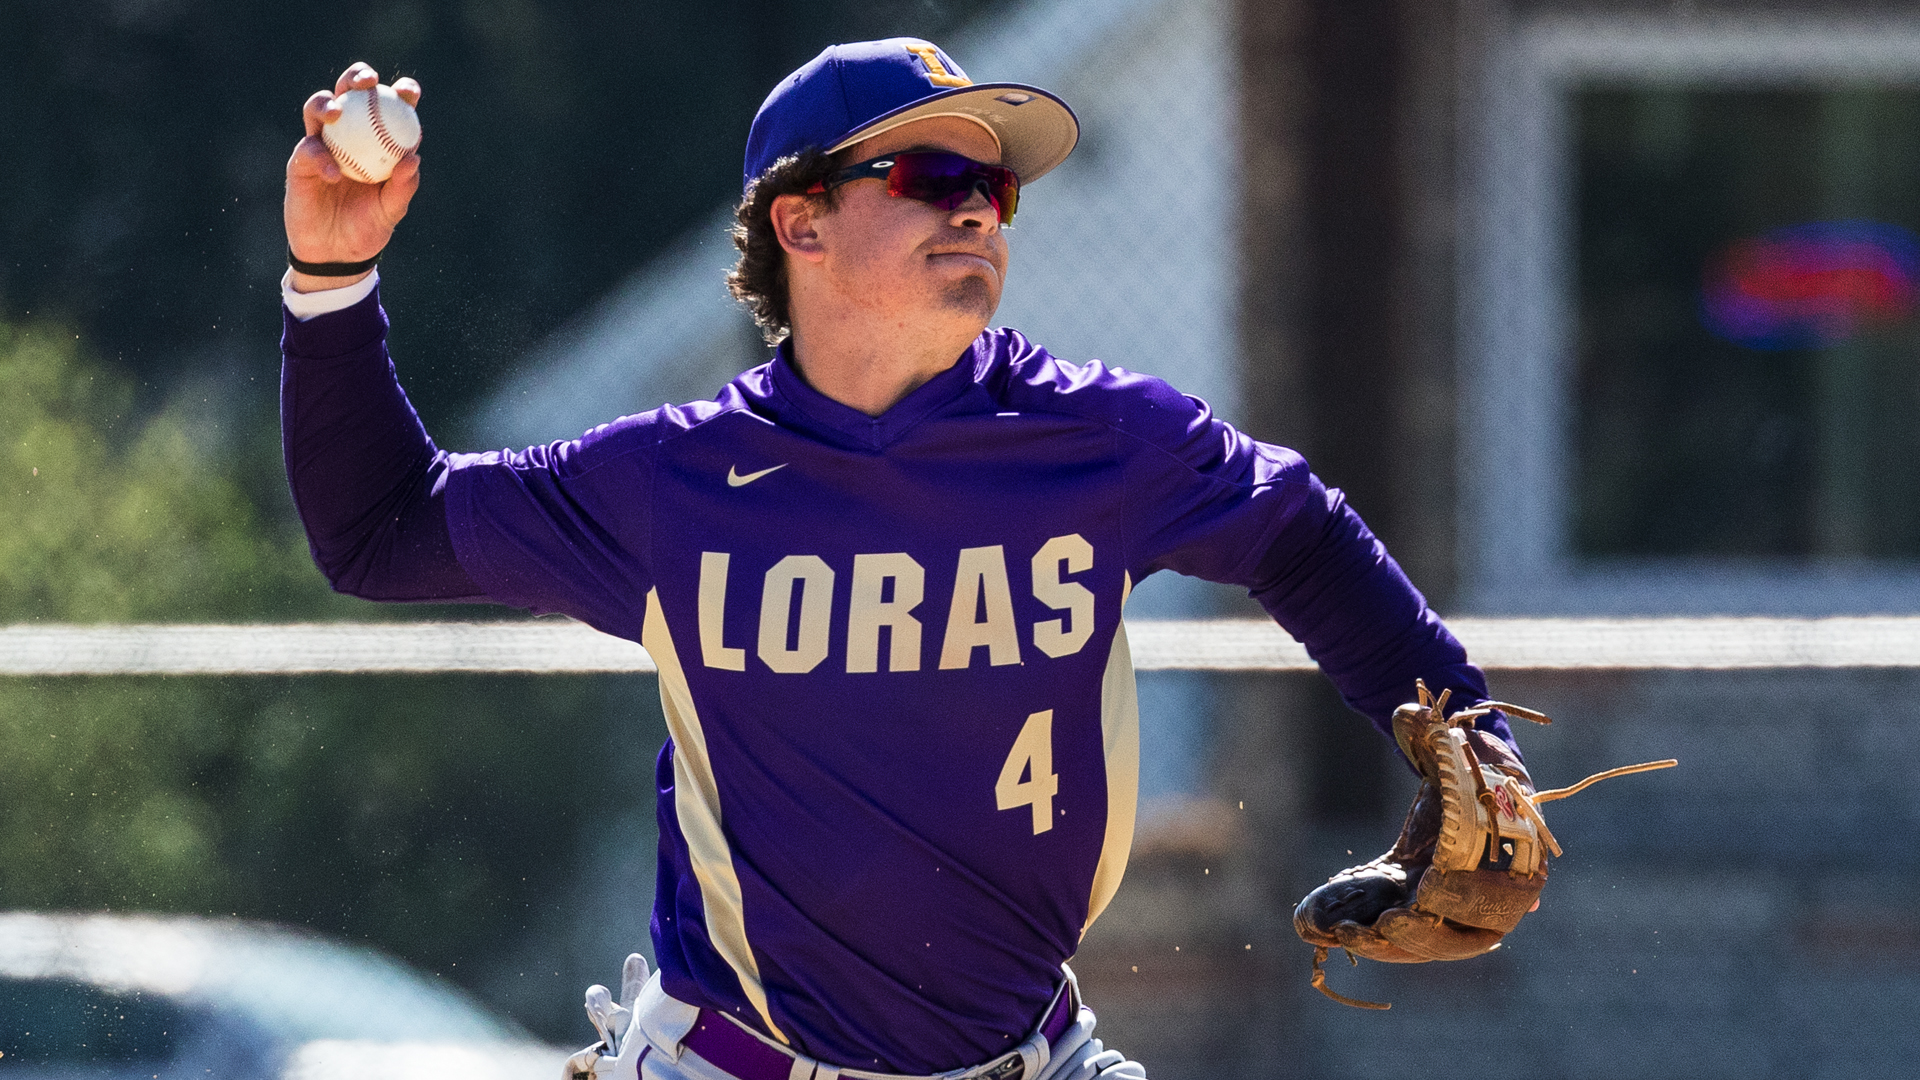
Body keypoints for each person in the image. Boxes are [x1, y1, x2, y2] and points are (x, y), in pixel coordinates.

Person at [280, 39, 1523, 1080]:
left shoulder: (1097, 441)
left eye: (997, 187)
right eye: (928, 172)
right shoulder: (676, 485)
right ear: (800, 220)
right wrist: (331, 280)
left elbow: (1299, 531)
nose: (976, 205)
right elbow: (382, 531)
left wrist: (1471, 731)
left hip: (1032, 1059)